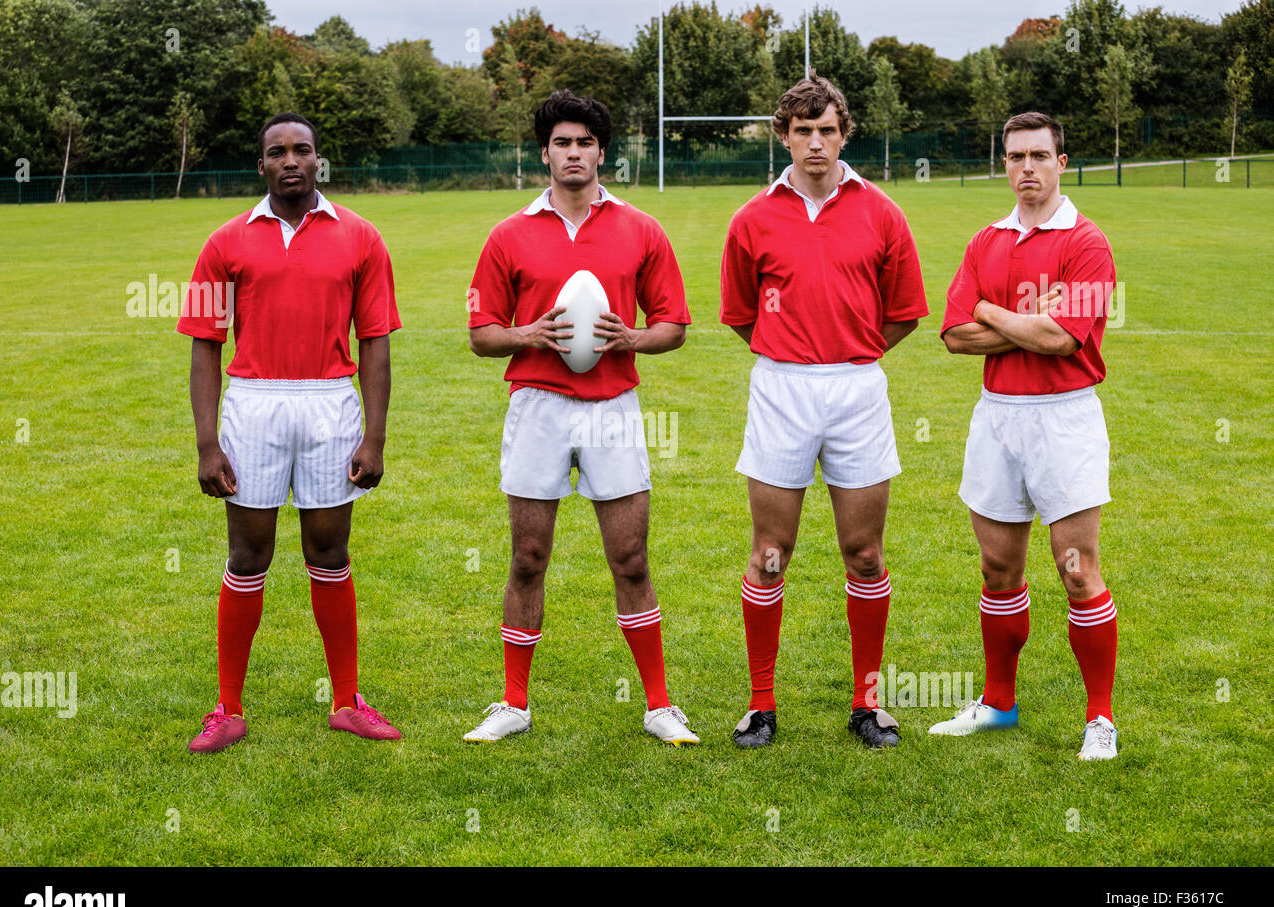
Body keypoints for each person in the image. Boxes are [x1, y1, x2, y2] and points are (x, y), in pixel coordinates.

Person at [463, 90, 698, 745]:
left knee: (629, 558)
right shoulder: (508, 234)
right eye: (562, 143)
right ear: (545, 153)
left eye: (584, 143)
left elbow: (675, 324)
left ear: (602, 153)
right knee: (528, 556)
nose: (573, 153)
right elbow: (481, 333)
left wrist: (632, 340)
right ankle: (513, 703)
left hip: (614, 408)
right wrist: (528, 333)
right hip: (536, 407)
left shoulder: (640, 229)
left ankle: (658, 705)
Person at [178, 112, 402, 753]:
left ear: (318, 160)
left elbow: (377, 344)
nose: (290, 161)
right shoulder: (224, 241)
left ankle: (346, 701)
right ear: (262, 166)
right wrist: (206, 442)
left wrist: (375, 437)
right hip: (253, 405)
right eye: (276, 152)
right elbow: (204, 347)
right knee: (249, 556)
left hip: (332, 403)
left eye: (301, 149)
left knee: (329, 555)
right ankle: (227, 709)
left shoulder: (361, 236)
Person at [719, 72, 928, 749]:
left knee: (864, 555)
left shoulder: (881, 211)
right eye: (803, 130)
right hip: (780, 389)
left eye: (827, 130)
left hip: (858, 389)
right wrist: (792, 354)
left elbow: (903, 314)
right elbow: (742, 315)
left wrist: (850, 354)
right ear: (784, 136)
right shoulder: (752, 218)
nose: (816, 142)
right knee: (771, 554)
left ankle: (868, 704)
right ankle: (761, 704)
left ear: (844, 135)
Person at [933, 111, 1120, 760]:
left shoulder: (1086, 242)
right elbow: (957, 336)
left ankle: (1100, 718)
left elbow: (1062, 337)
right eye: (1016, 157)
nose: (1027, 169)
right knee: (998, 569)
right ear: (1004, 164)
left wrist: (989, 309)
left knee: (1076, 571)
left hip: (1064, 419)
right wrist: (1016, 317)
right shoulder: (986, 240)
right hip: (997, 415)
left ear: (1062, 163)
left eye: (1040, 156)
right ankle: (999, 704)